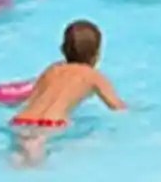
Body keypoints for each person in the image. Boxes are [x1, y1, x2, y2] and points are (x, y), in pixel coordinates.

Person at [9, 20, 126, 166]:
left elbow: (33, 95)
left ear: (63, 49)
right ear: (97, 54)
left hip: (22, 120)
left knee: (21, 156)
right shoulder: (93, 75)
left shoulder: (52, 69)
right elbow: (116, 106)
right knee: (35, 163)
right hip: (52, 123)